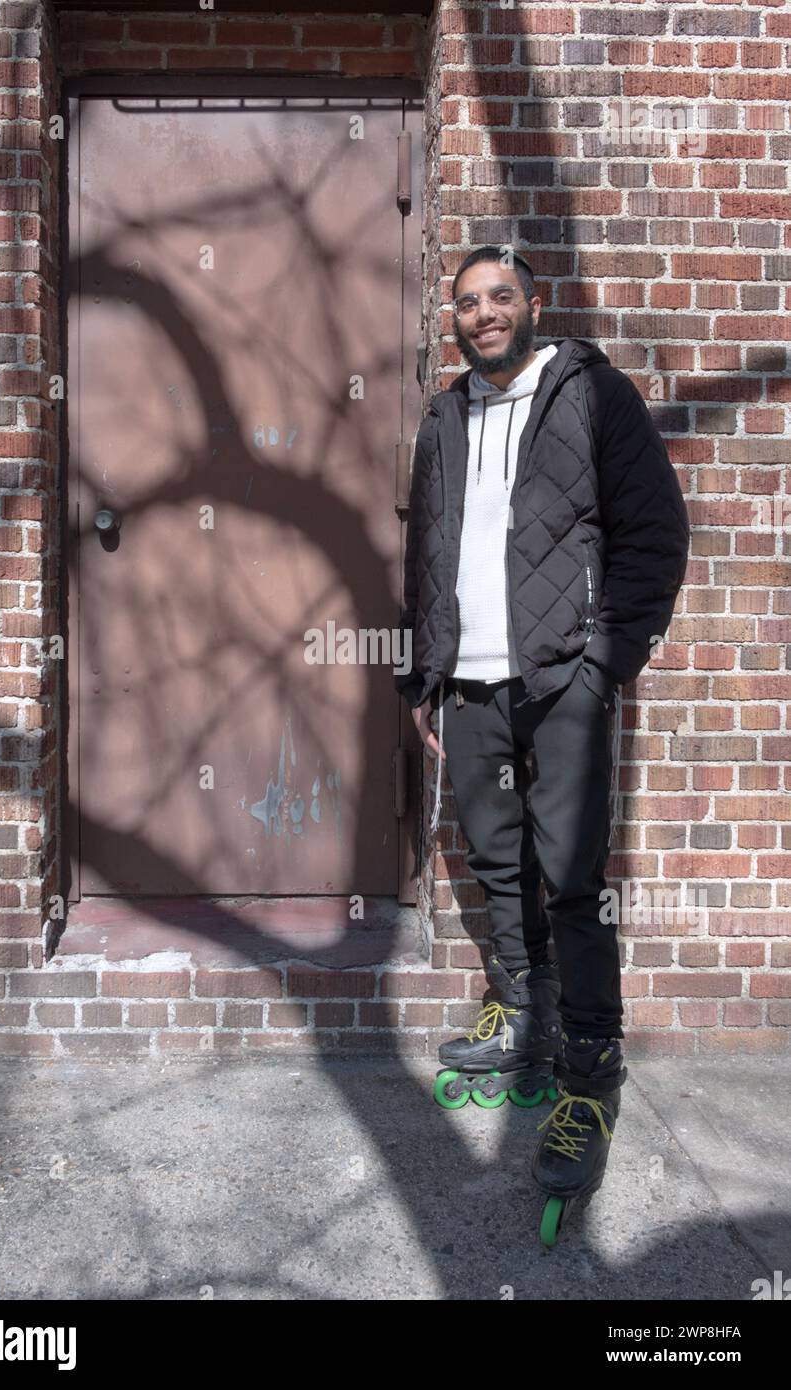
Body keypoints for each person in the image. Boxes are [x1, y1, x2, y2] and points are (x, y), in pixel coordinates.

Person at [395, 245, 690, 1222]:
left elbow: (653, 531)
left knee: (571, 877)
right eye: (466, 303)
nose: (482, 314)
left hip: (562, 677)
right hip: (470, 686)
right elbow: (425, 553)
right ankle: (519, 1007)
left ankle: (588, 1064)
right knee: (492, 856)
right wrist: (422, 679)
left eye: (498, 297)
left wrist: (607, 659)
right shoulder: (444, 416)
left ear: (532, 304)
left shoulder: (590, 395)